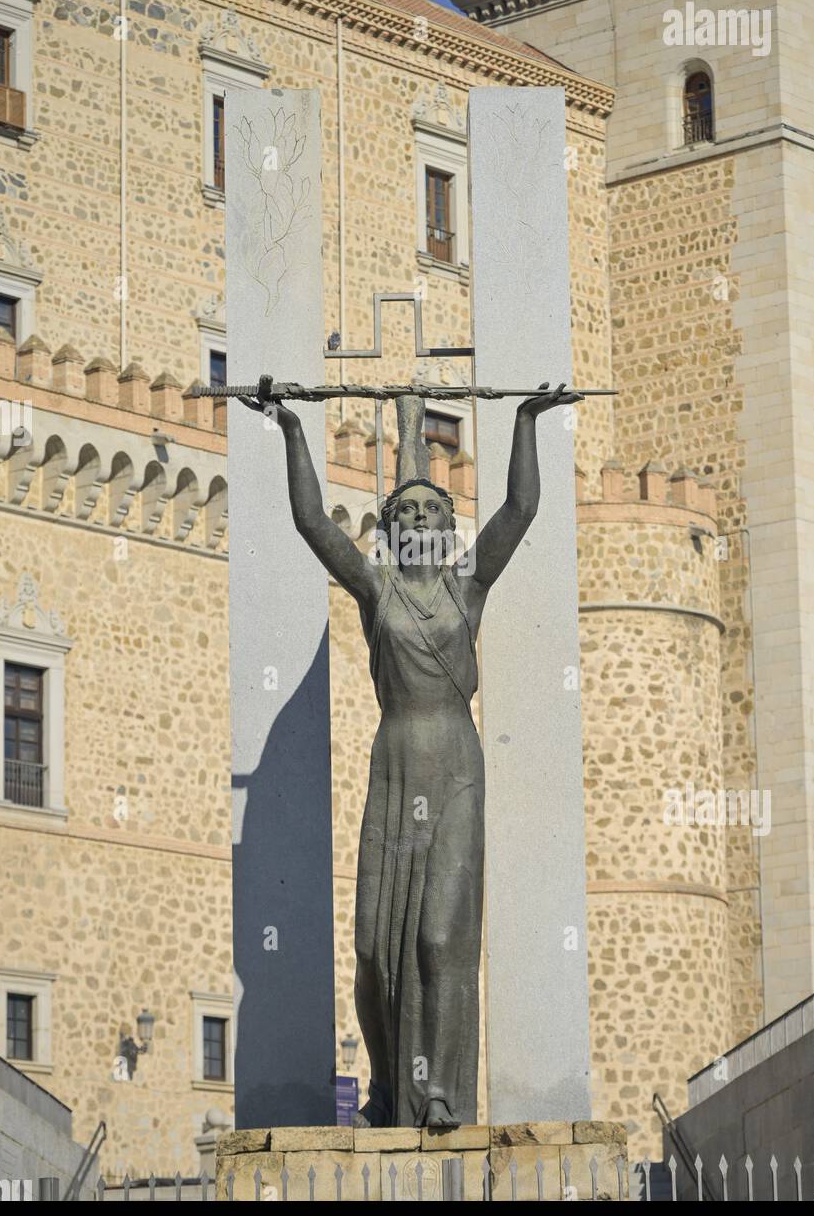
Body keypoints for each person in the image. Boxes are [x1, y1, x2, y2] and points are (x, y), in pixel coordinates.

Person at [241, 381, 578, 1128]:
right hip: (394, 766)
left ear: (449, 526)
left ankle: (440, 1091)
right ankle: (390, 1089)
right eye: (406, 512)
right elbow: (308, 521)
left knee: (438, 935)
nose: (420, 517)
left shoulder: (469, 587)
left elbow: (520, 510)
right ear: (389, 531)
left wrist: (524, 421)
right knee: (373, 949)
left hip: (456, 767)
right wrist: (292, 429)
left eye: (432, 509)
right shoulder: (375, 589)